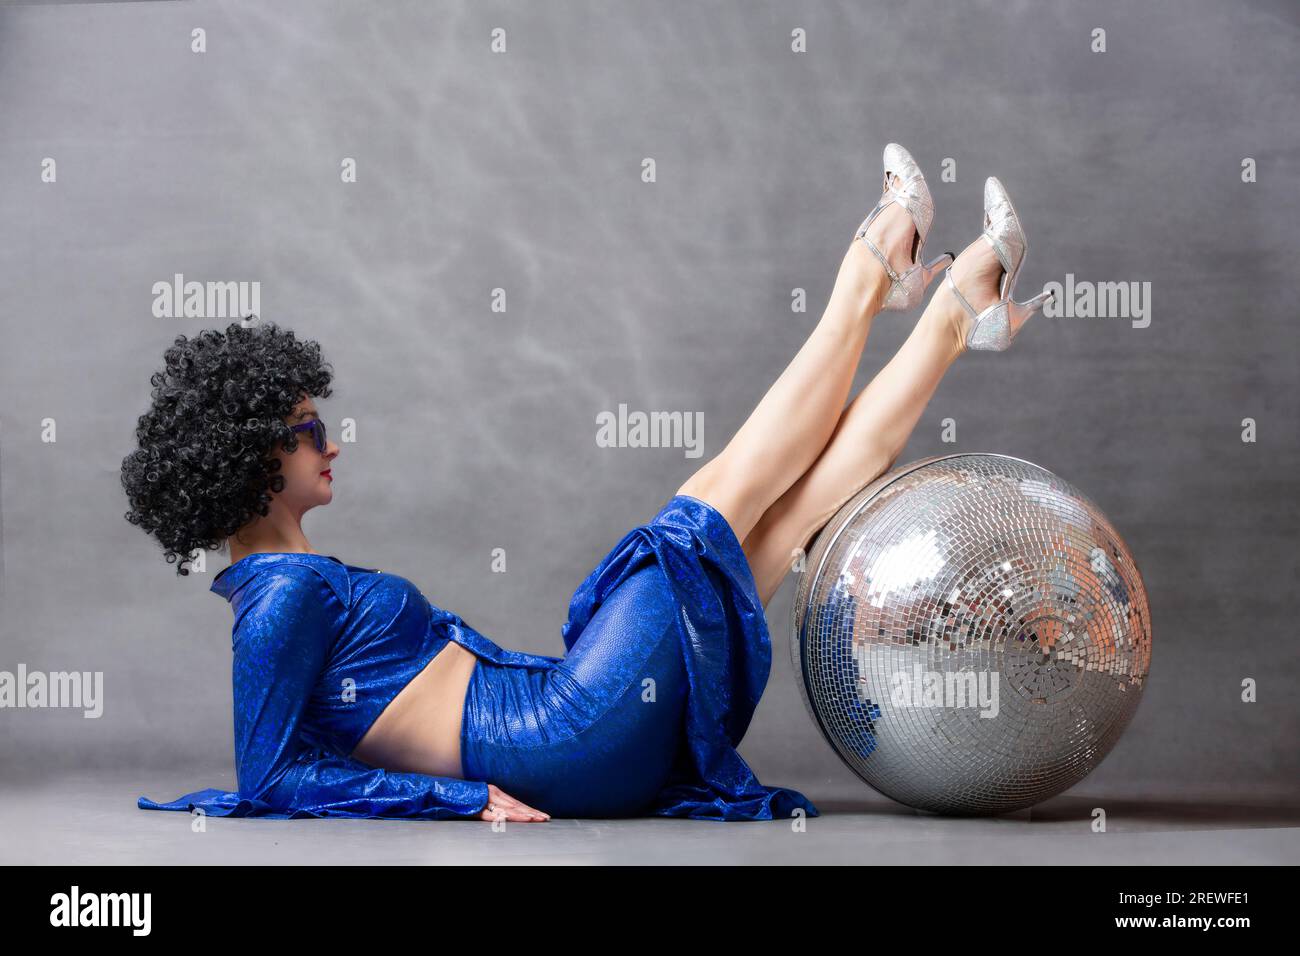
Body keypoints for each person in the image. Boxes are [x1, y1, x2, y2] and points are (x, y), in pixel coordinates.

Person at [126, 143, 1051, 823]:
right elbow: (270, 775)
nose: (330, 444)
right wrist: (456, 798)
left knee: (788, 514)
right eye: (307, 432)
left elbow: (301, 757)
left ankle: (957, 310)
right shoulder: (279, 596)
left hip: (578, 740)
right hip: (567, 733)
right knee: (718, 494)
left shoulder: (289, 582)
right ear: (252, 462)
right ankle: (875, 263)